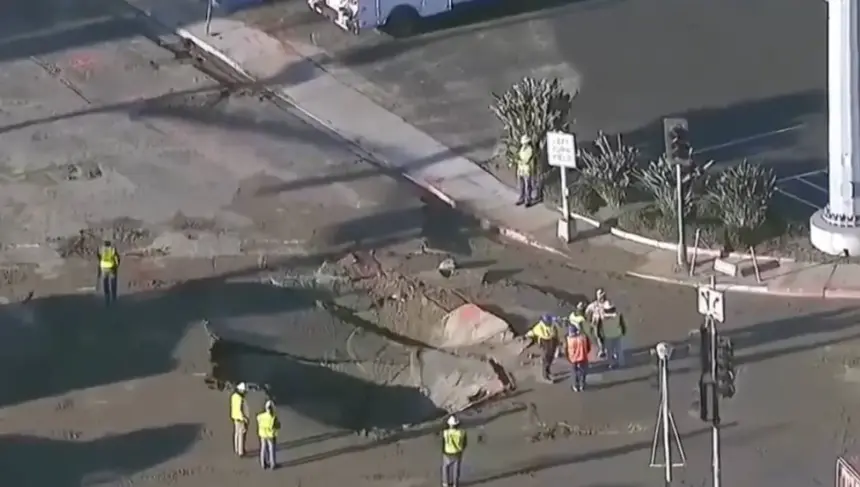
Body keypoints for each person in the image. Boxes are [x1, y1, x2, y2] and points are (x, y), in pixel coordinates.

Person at [526, 314, 559, 382]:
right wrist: (526, 335)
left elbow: (555, 332)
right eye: (547, 322)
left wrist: (557, 342)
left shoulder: (552, 324)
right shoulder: (539, 327)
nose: (548, 323)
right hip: (545, 342)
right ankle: (545, 376)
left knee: (550, 358)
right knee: (546, 359)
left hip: (552, 341)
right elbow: (532, 332)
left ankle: (548, 371)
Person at [598, 300, 627, 369]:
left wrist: (600, 335)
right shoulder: (618, 315)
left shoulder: (602, 317)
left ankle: (611, 364)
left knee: (609, 351)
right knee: (619, 349)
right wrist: (623, 331)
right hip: (617, 334)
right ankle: (621, 363)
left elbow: (599, 327)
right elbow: (622, 324)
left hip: (607, 335)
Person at [565, 320, 592, 391]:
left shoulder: (568, 340)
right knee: (583, 372)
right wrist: (585, 353)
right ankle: (582, 385)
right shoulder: (583, 338)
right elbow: (588, 347)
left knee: (574, 372)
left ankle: (575, 386)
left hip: (573, 359)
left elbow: (566, 350)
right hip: (583, 357)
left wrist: (568, 358)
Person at [442, 415, 467, 487]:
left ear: (449, 424)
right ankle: (455, 484)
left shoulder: (445, 432)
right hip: (458, 453)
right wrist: (461, 449)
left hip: (447, 453)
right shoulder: (462, 432)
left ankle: (445, 483)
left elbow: (443, 443)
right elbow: (465, 443)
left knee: (445, 467)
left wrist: (444, 451)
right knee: (456, 470)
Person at [257, 400, 280, 470]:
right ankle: (272, 464)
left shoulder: (260, 416)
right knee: (271, 449)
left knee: (263, 448)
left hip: (263, 434)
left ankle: (263, 463)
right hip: (270, 435)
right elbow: (277, 426)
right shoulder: (273, 418)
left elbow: (258, 420)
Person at [515, 135, 538, 207]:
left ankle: (528, 200)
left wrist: (519, 161)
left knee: (528, 185)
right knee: (521, 185)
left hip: (526, 170)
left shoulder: (529, 150)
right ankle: (521, 198)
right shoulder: (522, 149)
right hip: (521, 169)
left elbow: (526, 160)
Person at [97, 240, 120, 307]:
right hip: (112, 267)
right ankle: (114, 295)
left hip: (104, 267)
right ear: (109, 244)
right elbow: (117, 257)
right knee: (113, 281)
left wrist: (99, 266)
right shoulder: (112, 249)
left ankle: (107, 295)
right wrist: (117, 265)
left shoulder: (100, 249)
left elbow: (99, 257)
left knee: (105, 281)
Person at [230, 382, 249, 457]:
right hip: (240, 418)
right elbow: (239, 410)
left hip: (235, 417)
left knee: (237, 434)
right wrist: (244, 418)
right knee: (241, 435)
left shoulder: (234, 396)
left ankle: (237, 449)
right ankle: (241, 451)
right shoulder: (240, 398)